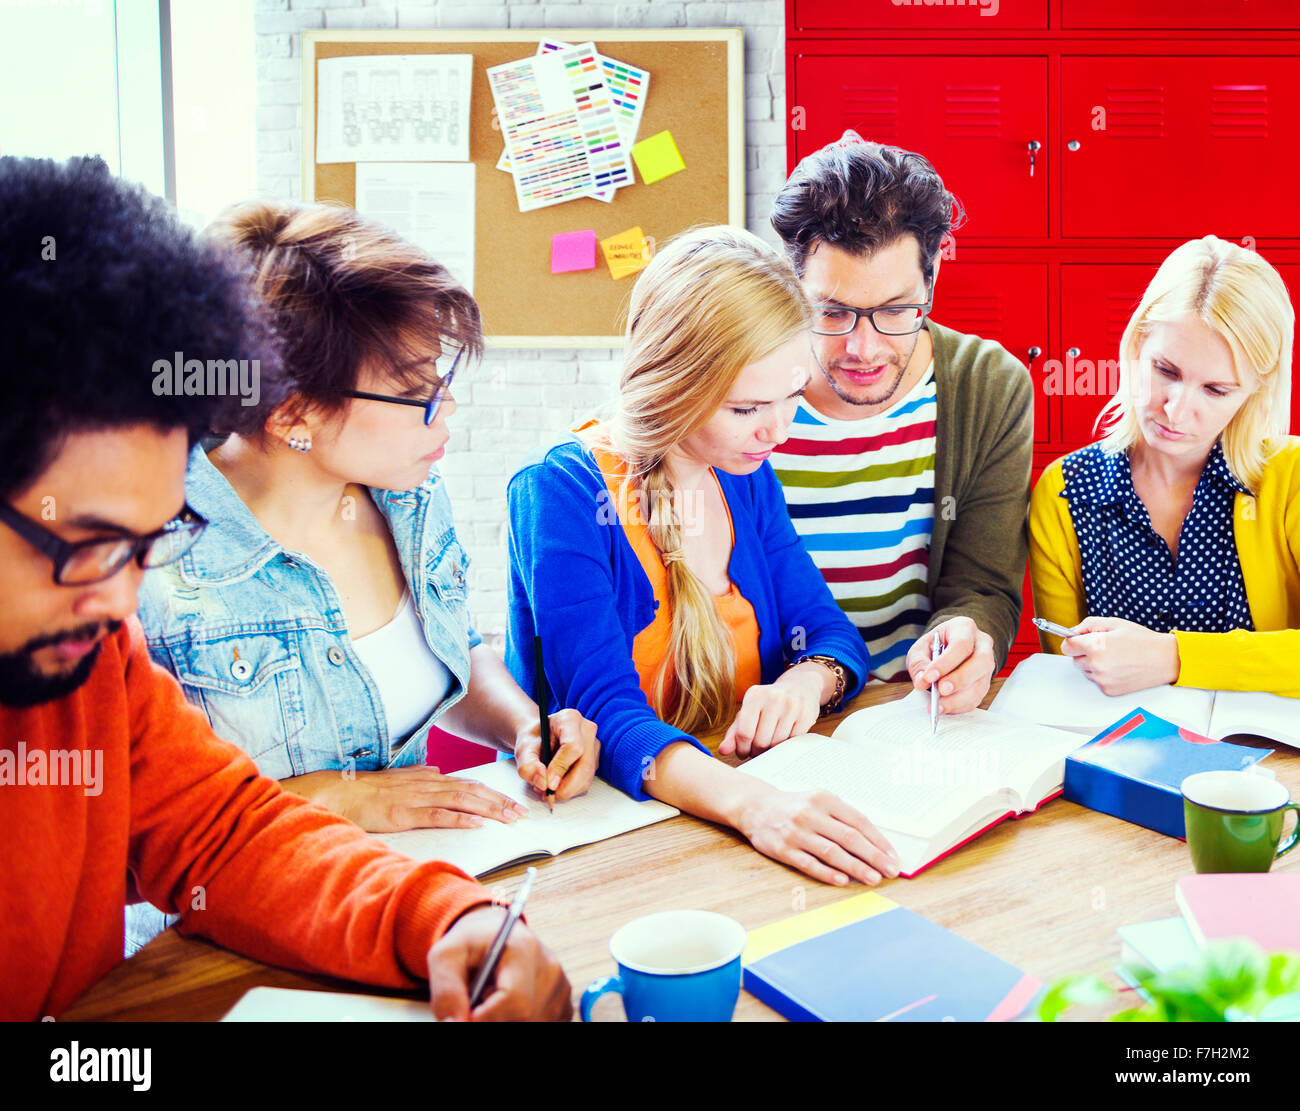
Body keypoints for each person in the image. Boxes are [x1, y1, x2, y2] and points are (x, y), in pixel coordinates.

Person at [0, 154, 570, 1021]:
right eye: (88, 545)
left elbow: (221, 832)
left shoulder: (93, 653)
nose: (121, 606)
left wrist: (448, 919)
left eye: (151, 540)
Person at [125, 199, 599, 952]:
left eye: (440, 377)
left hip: (403, 904)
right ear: (291, 414)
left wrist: (524, 726)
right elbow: (130, 841)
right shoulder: (143, 560)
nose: (446, 410)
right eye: (416, 393)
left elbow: (457, 649)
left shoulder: (409, 493)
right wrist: (343, 800)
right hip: (212, 948)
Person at [506, 226, 900, 888]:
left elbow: (829, 632)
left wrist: (806, 682)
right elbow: (606, 713)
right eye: (746, 407)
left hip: (733, 817)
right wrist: (754, 806)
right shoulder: (561, 490)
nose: (778, 430)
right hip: (614, 840)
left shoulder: (744, 472)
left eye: (792, 395)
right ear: (672, 385)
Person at [768, 130, 1033, 713]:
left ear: (933, 277)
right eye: (832, 312)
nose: (863, 349)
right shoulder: (742, 387)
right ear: (792, 285)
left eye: (895, 310)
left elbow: (982, 586)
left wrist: (970, 635)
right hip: (760, 711)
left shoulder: (988, 386)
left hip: (909, 709)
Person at [1029, 235, 1299, 697]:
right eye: (1166, 371)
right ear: (1136, 345)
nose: (1175, 410)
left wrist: (1173, 657)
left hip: (1259, 744)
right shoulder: (1064, 492)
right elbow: (1066, 680)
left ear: (1256, 389)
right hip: (1117, 739)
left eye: (1215, 390)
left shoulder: (1289, 477)